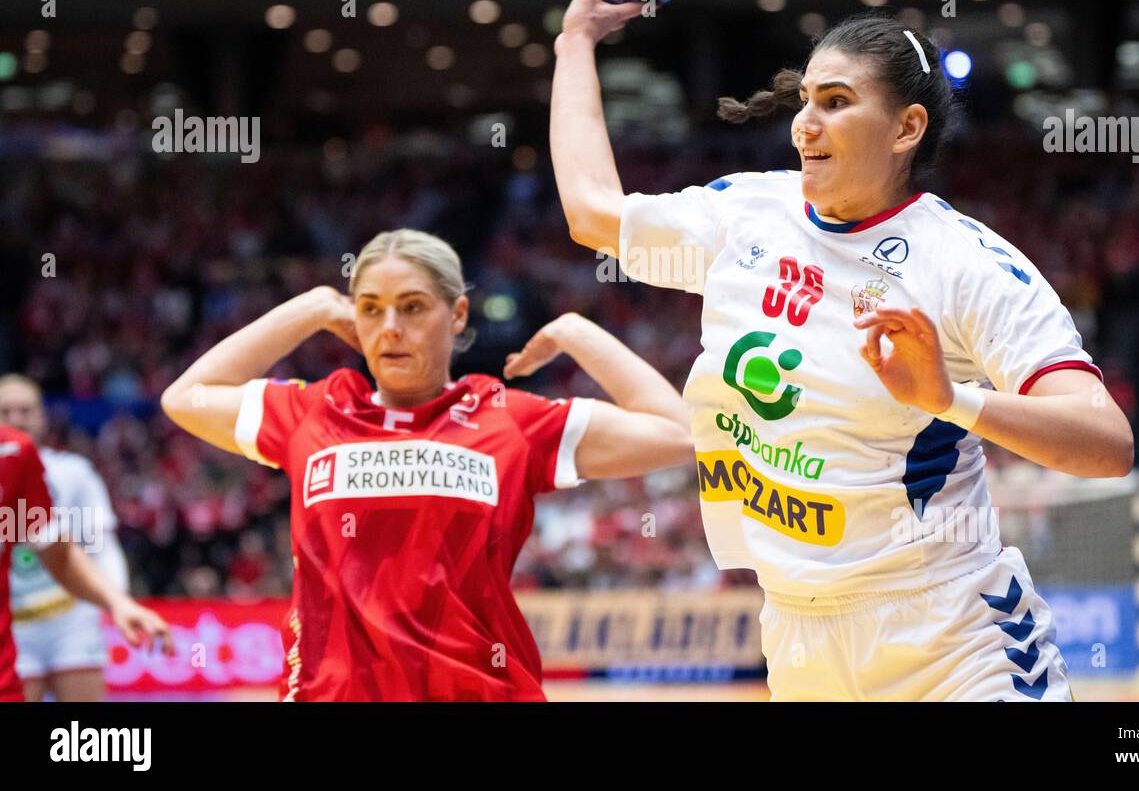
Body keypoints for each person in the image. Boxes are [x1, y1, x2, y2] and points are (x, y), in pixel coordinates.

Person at [549, 0, 1135, 701]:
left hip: (951, 636)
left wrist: (949, 397)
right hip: (798, 641)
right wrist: (575, 42)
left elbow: (1106, 443)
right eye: (804, 100)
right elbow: (592, 211)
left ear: (906, 128)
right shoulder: (746, 213)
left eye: (834, 101)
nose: (804, 124)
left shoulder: (966, 263)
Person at [160, 228, 694, 701]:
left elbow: (676, 432)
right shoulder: (312, 411)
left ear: (458, 313)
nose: (389, 327)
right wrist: (315, 307)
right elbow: (186, 397)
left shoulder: (508, 419)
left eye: (412, 307)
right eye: (370, 308)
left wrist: (576, 333)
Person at [0, 424, 173, 702]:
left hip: (48, 638)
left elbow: (56, 549)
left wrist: (117, 601)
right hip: (22, 631)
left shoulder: (14, 453)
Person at [0, 374, 131, 702]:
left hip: (71, 619)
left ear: (43, 415)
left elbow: (100, 542)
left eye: (26, 410)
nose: (17, 419)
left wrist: (117, 601)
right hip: (13, 625)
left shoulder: (74, 471)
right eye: (6, 412)